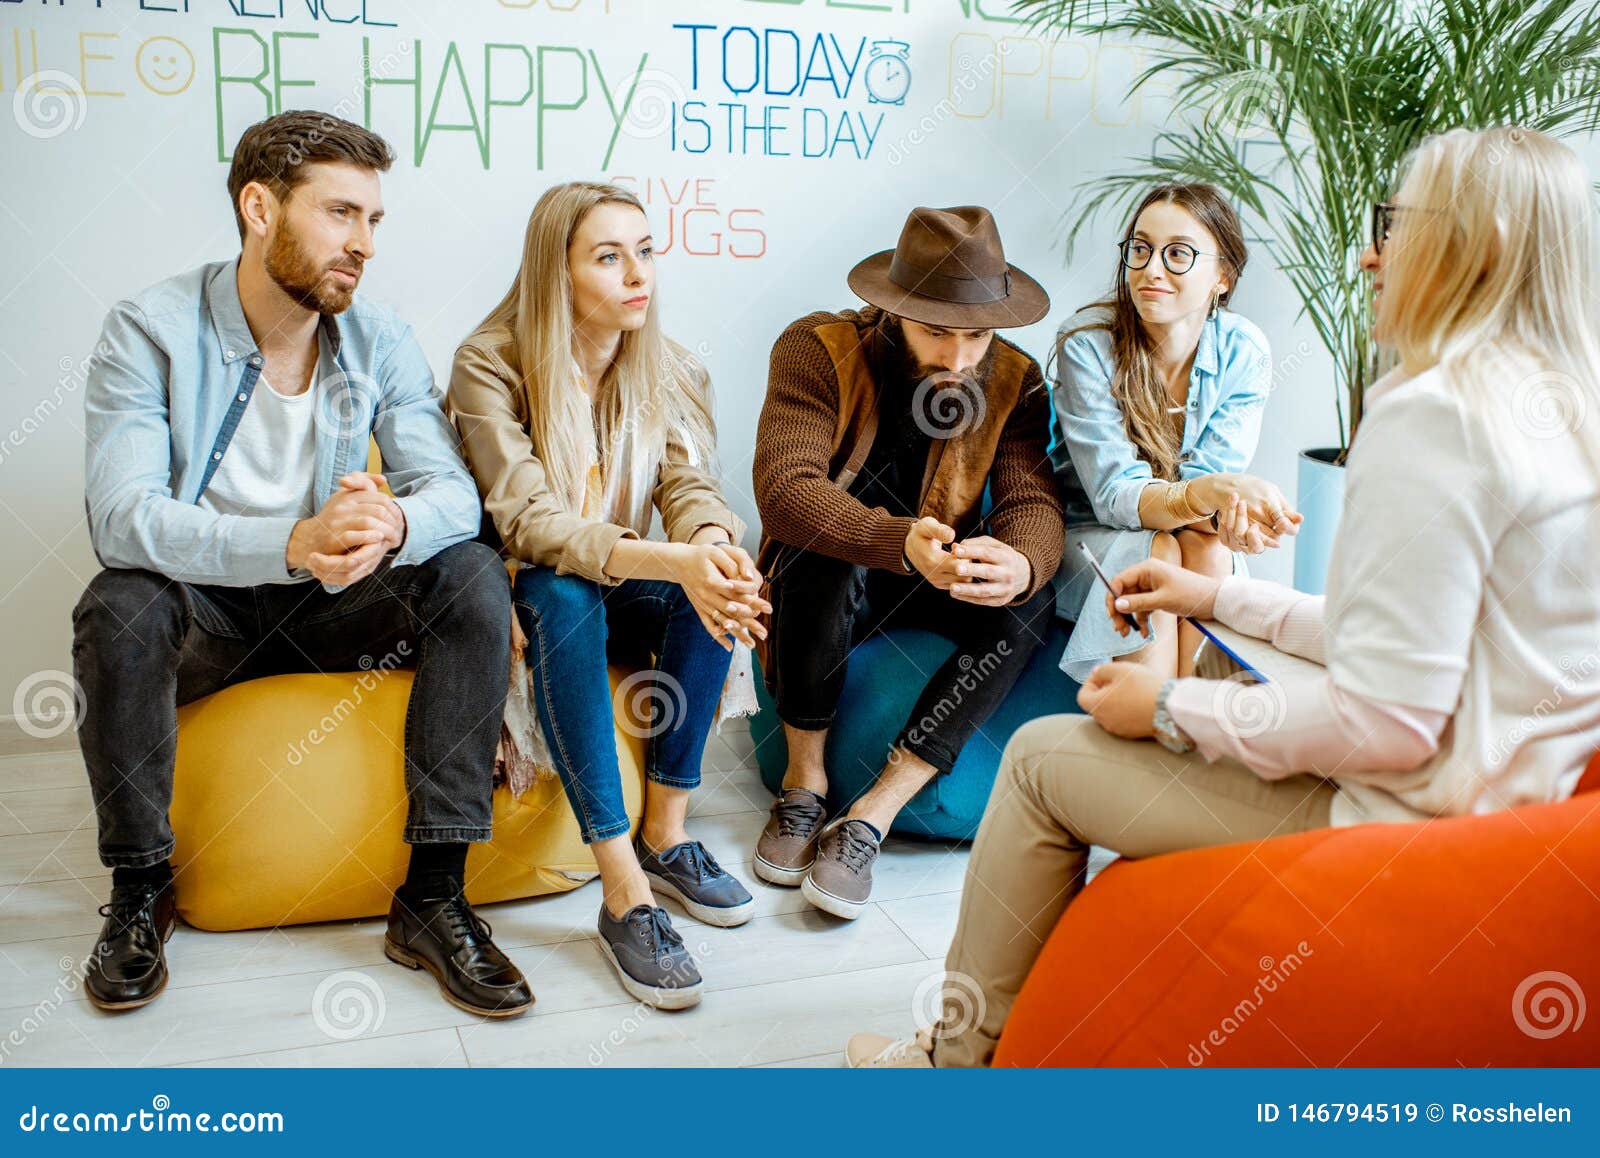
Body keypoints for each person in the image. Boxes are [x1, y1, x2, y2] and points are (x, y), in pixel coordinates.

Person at [846, 125, 1600, 1066]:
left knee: (1040, 760)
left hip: (1414, 816)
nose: (1370, 253)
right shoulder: (1568, 407)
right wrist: (1218, 604)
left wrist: (1165, 707)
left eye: (1396, 227)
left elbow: (1390, 722)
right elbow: (1425, 649)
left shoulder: (1432, 411)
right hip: (1512, 806)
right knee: (1190, 588)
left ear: (1475, 243)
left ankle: (949, 1071)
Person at [72, 111, 532, 1018]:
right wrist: (287, 541)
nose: (362, 245)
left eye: (373, 221)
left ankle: (434, 895)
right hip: (206, 615)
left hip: (335, 607)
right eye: (340, 214)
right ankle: (139, 889)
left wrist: (395, 521)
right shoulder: (149, 330)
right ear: (258, 207)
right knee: (119, 603)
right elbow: (122, 518)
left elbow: (453, 491)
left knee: (472, 570)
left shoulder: (378, 336)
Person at [449, 181, 763, 1011]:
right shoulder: (491, 363)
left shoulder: (667, 365)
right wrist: (669, 558)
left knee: (716, 579)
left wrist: (711, 547)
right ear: (556, 271)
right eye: (609, 256)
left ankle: (668, 833)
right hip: (535, 591)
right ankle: (624, 889)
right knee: (559, 591)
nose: (639, 274)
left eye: (646, 250)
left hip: (628, 573)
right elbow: (528, 521)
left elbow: (689, 483)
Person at [750, 205, 1066, 919]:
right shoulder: (815, 350)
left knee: (1031, 600)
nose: (959, 359)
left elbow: (1032, 500)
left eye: (978, 335)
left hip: (937, 570)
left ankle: (873, 814)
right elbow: (784, 491)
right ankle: (804, 785)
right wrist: (895, 542)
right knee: (819, 554)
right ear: (892, 312)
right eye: (937, 333)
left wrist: (1021, 562)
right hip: (836, 571)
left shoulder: (1015, 378)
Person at [1050, 182, 1300, 683]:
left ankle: (1193, 730)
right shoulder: (1088, 343)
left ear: (1222, 278)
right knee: (1157, 549)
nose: (1151, 269)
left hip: (1184, 535)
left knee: (1208, 546)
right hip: (1090, 536)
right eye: (1140, 250)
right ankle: (1158, 732)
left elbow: (1205, 493)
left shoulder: (1243, 352)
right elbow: (1115, 496)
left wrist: (1230, 520)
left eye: (1178, 254)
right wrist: (1212, 496)